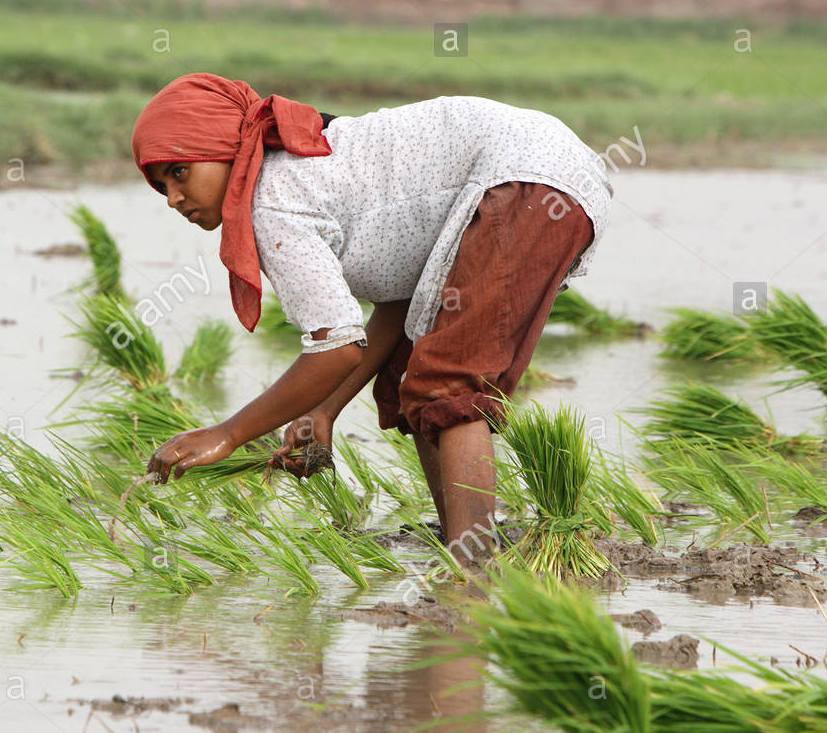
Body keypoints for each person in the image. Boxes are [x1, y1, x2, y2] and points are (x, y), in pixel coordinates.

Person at [135, 72, 611, 560]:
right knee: (413, 374)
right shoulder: (299, 173)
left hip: (525, 180)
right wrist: (321, 410)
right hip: (549, 174)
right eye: (160, 186)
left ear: (222, 147)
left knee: (448, 383)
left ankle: (473, 573)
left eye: (179, 172)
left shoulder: (272, 200)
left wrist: (226, 435)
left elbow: (337, 348)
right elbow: (398, 306)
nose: (173, 198)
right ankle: (461, 546)